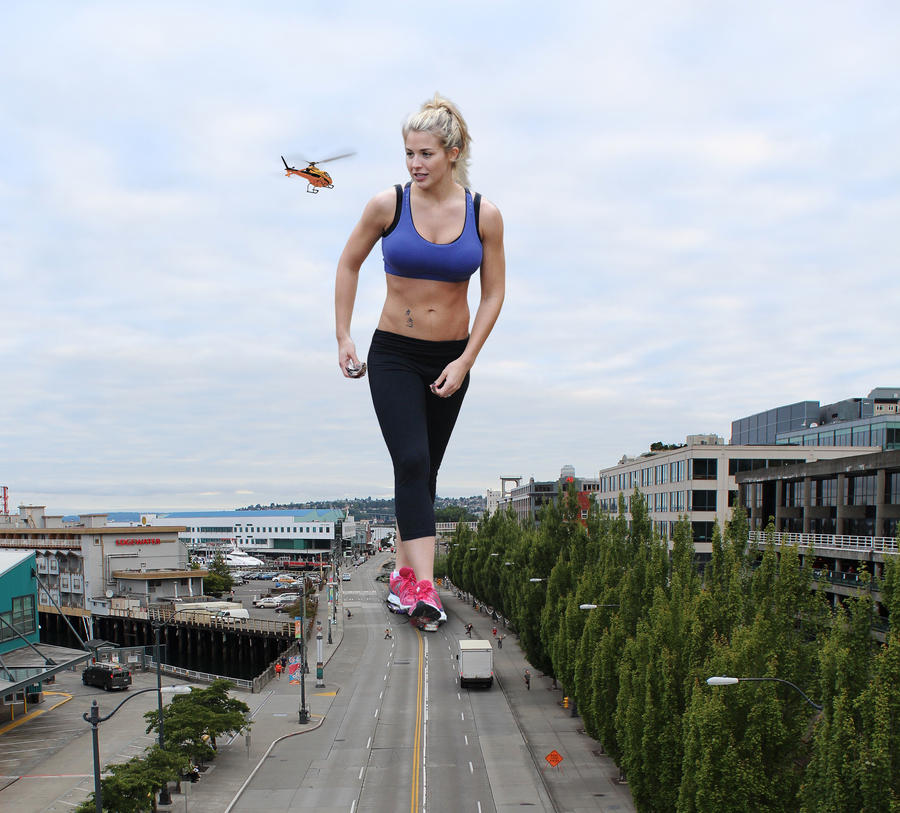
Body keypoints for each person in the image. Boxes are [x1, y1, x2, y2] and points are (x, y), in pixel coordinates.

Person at [335, 93, 505, 626]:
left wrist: (466, 362)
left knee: (424, 471)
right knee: (410, 461)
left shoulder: (485, 214)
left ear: (453, 152)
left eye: (426, 154)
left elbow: (494, 294)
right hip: (394, 353)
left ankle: (402, 577)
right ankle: (425, 588)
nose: (415, 164)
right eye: (409, 153)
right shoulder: (388, 205)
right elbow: (348, 264)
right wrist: (343, 335)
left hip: (451, 358)